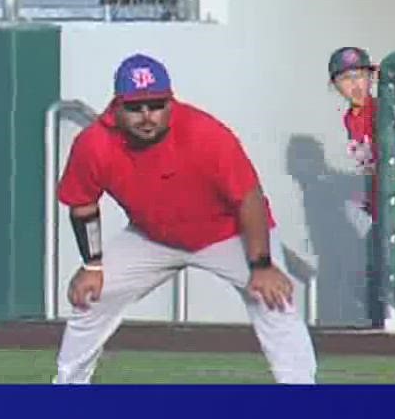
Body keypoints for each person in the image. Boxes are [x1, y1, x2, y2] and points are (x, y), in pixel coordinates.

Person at [50, 54, 317, 387]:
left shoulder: (204, 132)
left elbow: (249, 197)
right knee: (92, 296)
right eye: (135, 107)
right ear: (116, 106)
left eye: (156, 104)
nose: (147, 116)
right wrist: (92, 266)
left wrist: (262, 264)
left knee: (276, 298)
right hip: (152, 237)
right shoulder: (94, 145)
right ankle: (66, 391)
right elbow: (82, 203)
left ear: (171, 102)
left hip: (227, 233)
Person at [328, 45, 395, 316]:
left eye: (360, 76)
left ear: (372, 77)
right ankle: (390, 322)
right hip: (381, 203)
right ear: (335, 84)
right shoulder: (350, 118)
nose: (354, 85)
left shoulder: (381, 108)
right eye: (346, 78)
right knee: (380, 269)